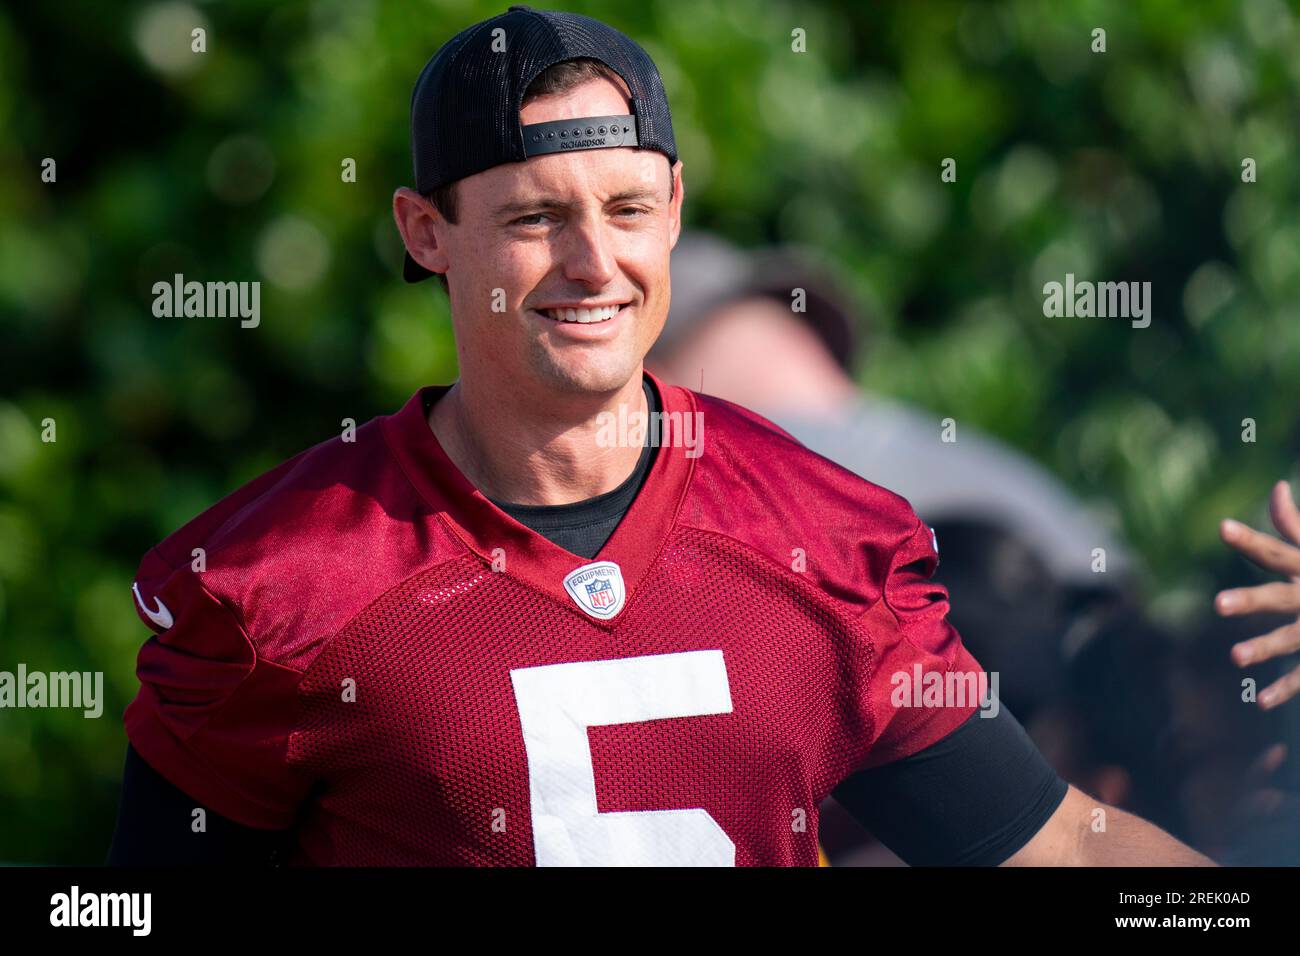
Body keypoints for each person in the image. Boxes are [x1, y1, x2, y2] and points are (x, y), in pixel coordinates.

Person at [112, 5, 1260, 866]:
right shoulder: (279, 582)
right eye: (532, 216)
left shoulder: (821, 534)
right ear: (426, 231)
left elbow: (1053, 846)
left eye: (624, 209)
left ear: (673, 208)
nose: (590, 262)